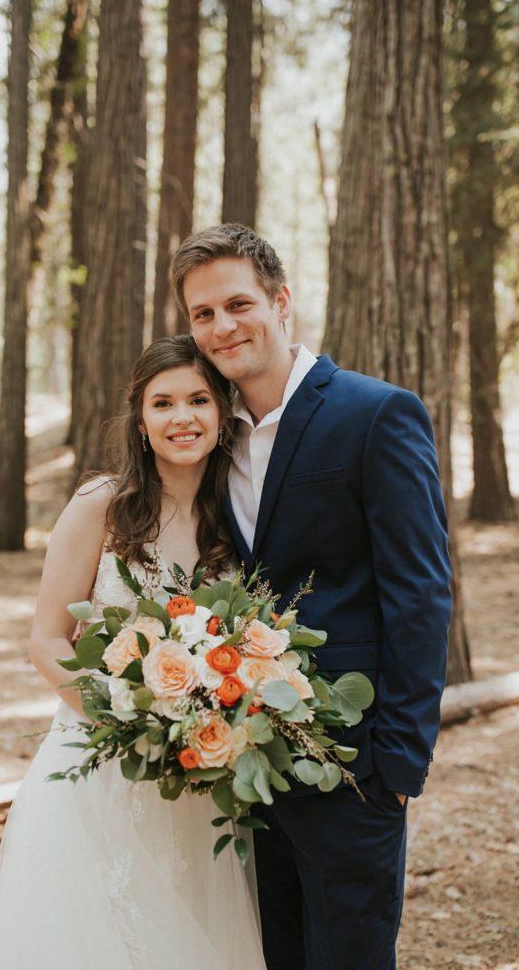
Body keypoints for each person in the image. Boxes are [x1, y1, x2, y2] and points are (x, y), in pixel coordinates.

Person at [172, 224, 452, 970]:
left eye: (238, 304)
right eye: (203, 314)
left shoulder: (375, 414)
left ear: (281, 301)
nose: (223, 327)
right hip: (247, 763)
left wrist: (397, 766)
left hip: (354, 765)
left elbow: (420, 592)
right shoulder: (210, 436)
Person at [0, 336, 266, 970]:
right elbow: (47, 639)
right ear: (140, 420)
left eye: (198, 401)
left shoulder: (235, 517)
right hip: (96, 765)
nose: (181, 417)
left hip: (194, 769)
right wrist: (120, 725)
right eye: (163, 403)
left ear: (222, 415)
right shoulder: (101, 505)